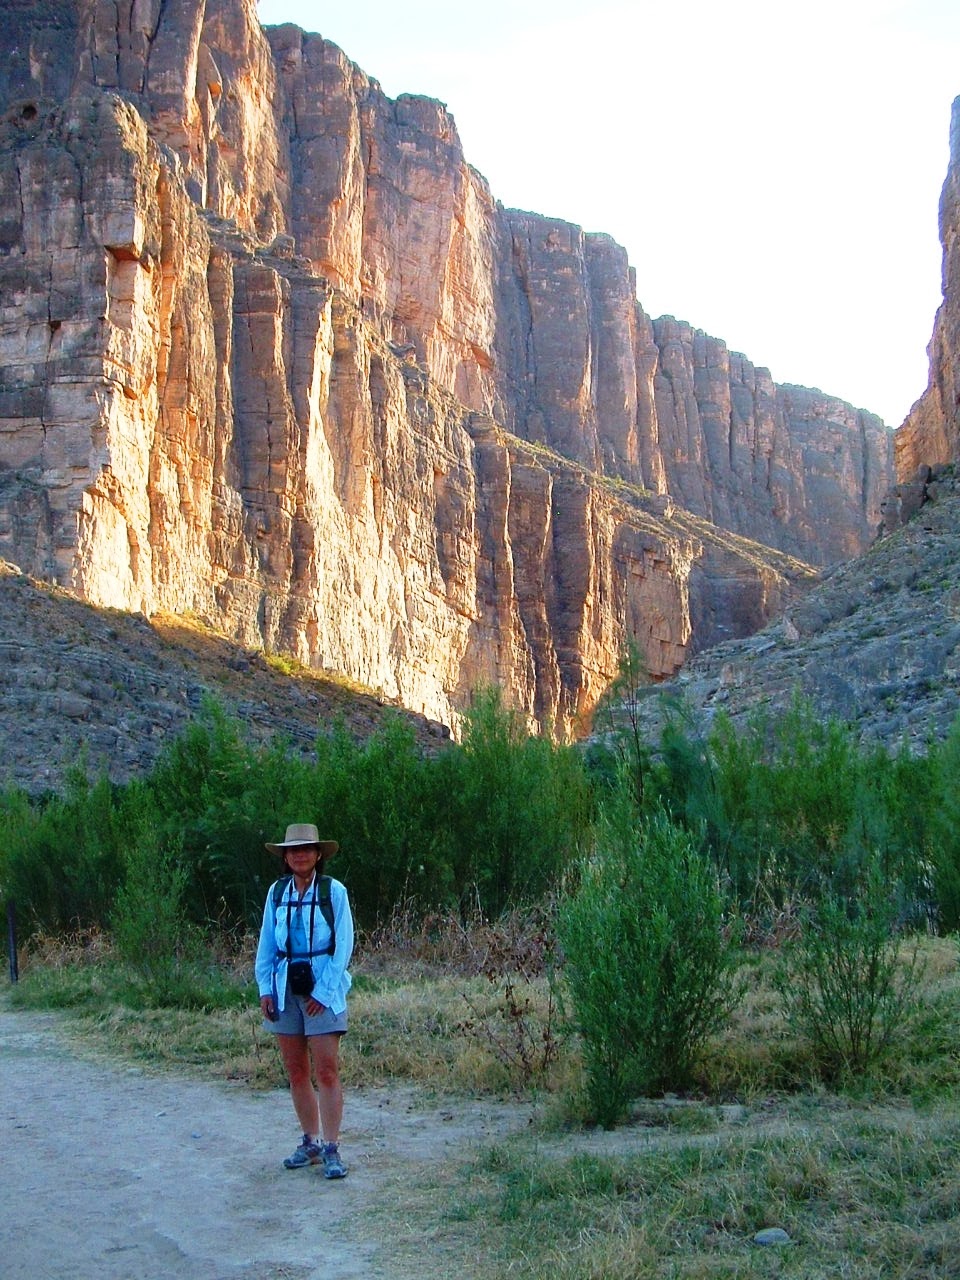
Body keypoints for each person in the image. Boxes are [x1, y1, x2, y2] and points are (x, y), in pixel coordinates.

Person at [255, 822, 354, 1178]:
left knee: (326, 1070)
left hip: (322, 989)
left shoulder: (334, 892)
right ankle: (309, 1141)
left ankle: (331, 1147)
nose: (299, 855)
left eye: (306, 849)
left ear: (317, 855)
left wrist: (323, 993)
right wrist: (265, 988)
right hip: (284, 988)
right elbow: (267, 944)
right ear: (285, 856)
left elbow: (344, 946)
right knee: (296, 1070)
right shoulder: (277, 893)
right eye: (293, 850)